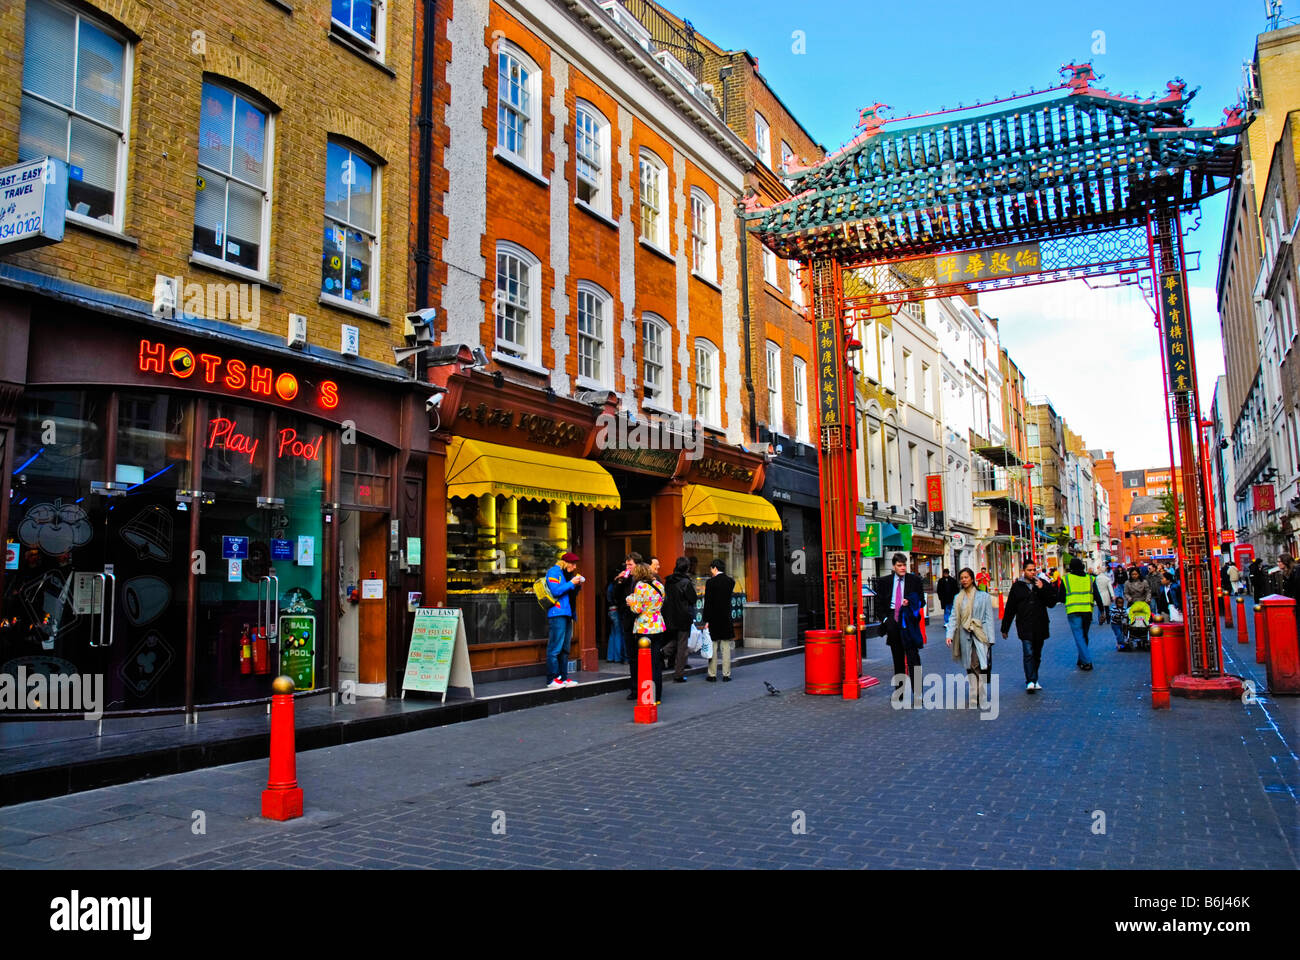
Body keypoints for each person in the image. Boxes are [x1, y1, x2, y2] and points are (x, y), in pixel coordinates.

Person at [1000, 558, 1058, 693]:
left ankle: (1035, 678)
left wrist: (1043, 589)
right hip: (1024, 624)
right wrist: (1005, 628)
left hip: (1040, 624)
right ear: (1023, 571)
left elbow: (1052, 602)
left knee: (1037, 654)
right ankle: (1030, 680)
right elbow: (1010, 608)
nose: (1032, 572)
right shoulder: (1017, 586)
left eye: (1034, 570)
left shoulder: (1042, 583)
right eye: (1029, 570)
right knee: (1028, 652)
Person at [875, 553, 925, 704]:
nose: (903, 568)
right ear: (894, 566)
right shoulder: (884, 581)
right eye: (899, 565)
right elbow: (878, 604)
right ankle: (900, 693)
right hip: (893, 621)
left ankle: (918, 694)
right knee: (897, 659)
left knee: (913, 658)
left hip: (908, 622)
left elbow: (921, 601)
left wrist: (909, 602)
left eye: (904, 565)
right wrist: (885, 620)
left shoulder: (915, 580)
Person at [945, 567, 997, 707]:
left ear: (972, 579)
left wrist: (990, 639)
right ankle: (978, 691)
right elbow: (954, 618)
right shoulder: (958, 598)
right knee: (969, 666)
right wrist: (949, 635)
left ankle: (977, 692)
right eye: (962, 578)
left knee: (976, 664)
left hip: (980, 634)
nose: (964, 580)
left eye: (966, 577)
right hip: (964, 635)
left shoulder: (984, 597)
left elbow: (988, 618)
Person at [625, 562, 666, 703]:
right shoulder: (659, 585)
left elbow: (637, 609)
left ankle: (647, 694)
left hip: (644, 627)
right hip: (658, 625)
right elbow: (662, 602)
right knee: (656, 662)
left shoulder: (640, 587)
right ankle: (657, 696)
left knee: (644, 662)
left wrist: (631, 602)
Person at [543, 552, 584, 689]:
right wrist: (572, 583)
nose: (574, 566)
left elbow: (571, 593)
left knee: (565, 649)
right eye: (572, 564)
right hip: (557, 613)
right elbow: (555, 591)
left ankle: (563, 678)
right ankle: (552, 679)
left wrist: (577, 585)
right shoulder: (553, 572)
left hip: (567, 613)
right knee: (555, 648)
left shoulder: (567, 574)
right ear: (565, 562)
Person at [661, 556, 698, 683]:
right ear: (686, 568)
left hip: (670, 615)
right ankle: (679, 674)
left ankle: (662, 653)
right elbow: (692, 598)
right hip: (683, 616)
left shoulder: (669, 581)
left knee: (675, 640)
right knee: (682, 644)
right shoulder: (686, 582)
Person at [613, 552, 643, 699]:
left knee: (642, 655)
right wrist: (619, 582)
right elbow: (614, 597)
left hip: (641, 620)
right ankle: (634, 688)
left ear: (637, 565)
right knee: (632, 655)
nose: (628, 567)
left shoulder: (642, 580)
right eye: (626, 565)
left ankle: (644, 686)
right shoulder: (625, 580)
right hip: (627, 620)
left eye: (630, 564)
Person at [703, 558, 736, 682]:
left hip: (713, 618)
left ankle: (712, 674)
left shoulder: (710, 583)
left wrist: (706, 621)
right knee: (726, 647)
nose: (711, 571)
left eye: (711, 569)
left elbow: (708, 603)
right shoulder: (730, 581)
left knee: (713, 647)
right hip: (726, 618)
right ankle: (726, 674)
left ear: (715, 568)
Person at [1062, 556, 1095, 671]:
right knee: (1084, 636)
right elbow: (1097, 596)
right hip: (1087, 611)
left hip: (1073, 611)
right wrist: (1102, 611)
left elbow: (1061, 597)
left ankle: (1087, 661)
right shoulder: (1090, 579)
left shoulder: (1066, 579)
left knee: (1079, 636)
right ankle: (1081, 659)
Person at [604, 565, 627, 664]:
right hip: (616, 609)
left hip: (610, 610)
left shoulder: (608, 585)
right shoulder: (614, 585)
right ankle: (618, 657)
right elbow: (615, 598)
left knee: (613, 633)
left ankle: (610, 657)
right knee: (619, 634)